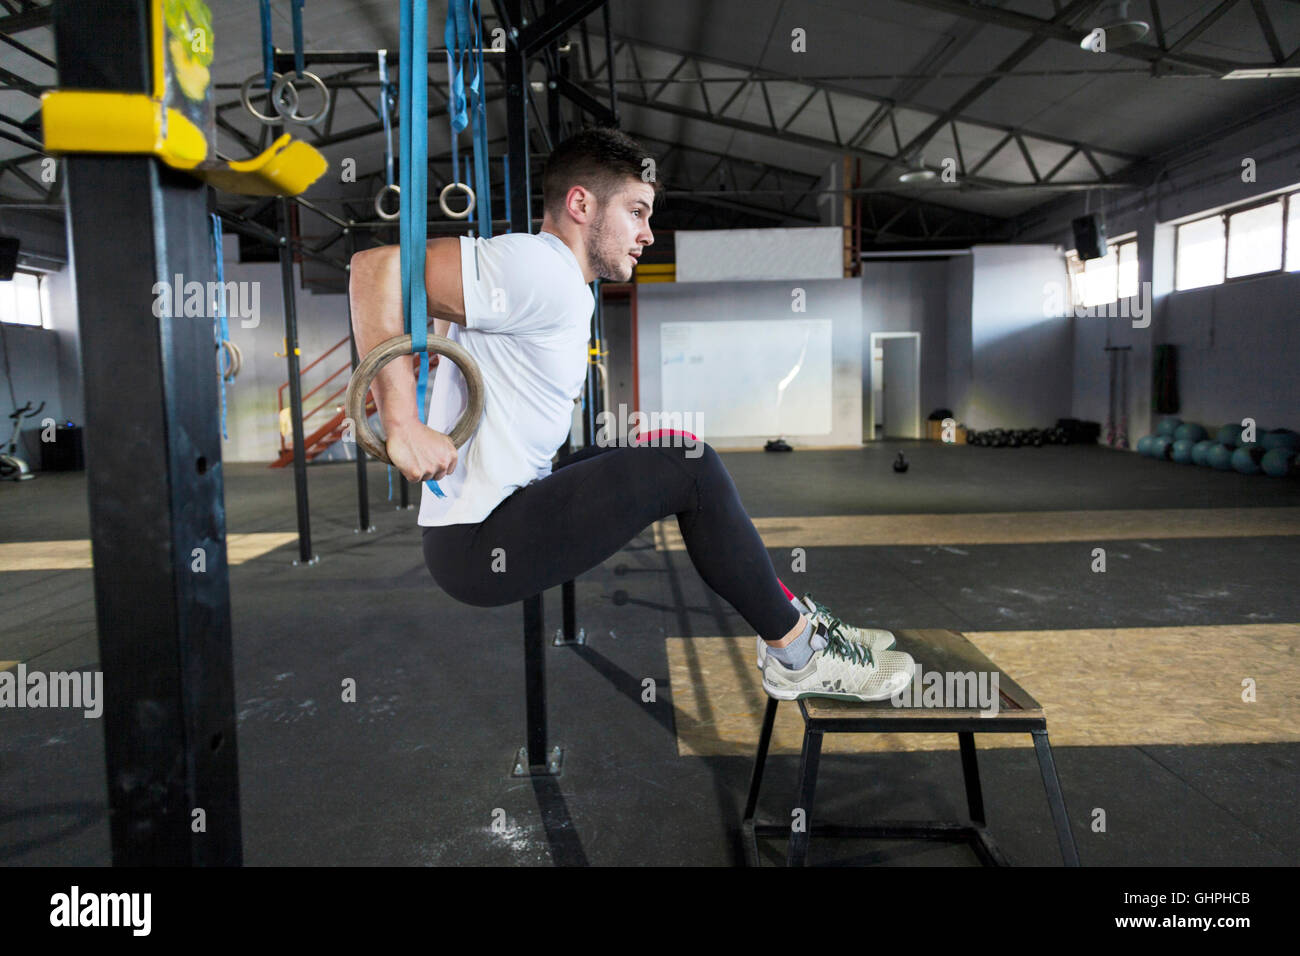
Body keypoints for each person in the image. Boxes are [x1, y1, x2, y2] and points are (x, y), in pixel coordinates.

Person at [347, 127, 915, 702]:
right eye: (637, 212)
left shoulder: (556, 279)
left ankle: (797, 618)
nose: (647, 234)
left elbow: (429, 301)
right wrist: (401, 423)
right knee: (689, 466)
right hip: (478, 543)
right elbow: (375, 271)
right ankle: (797, 653)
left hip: (501, 513)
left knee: (668, 447)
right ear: (581, 204)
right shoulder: (543, 269)